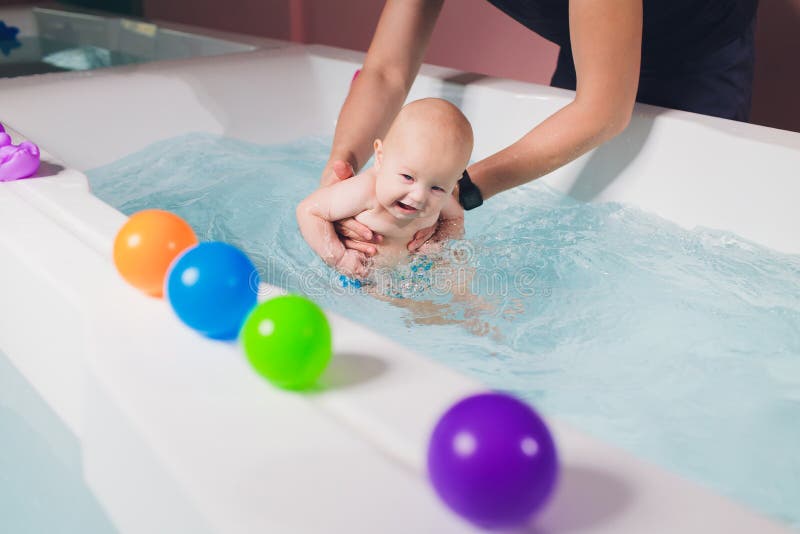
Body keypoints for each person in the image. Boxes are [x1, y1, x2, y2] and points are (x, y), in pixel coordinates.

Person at [316, 0, 759, 258]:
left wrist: (456, 192)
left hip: (697, 47)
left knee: (686, 236)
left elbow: (603, 111)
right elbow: (386, 72)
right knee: (568, 216)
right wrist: (339, 175)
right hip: (591, 32)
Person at [297, 97, 472, 279]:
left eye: (437, 188)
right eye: (407, 177)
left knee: (461, 279)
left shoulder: (441, 197)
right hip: (358, 276)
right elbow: (308, 211)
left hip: (407, 275)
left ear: (454, 182)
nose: (419, 196)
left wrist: (440, 239)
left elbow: (455, 218)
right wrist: (339, 257)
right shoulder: (364, 191)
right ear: (380, 157)